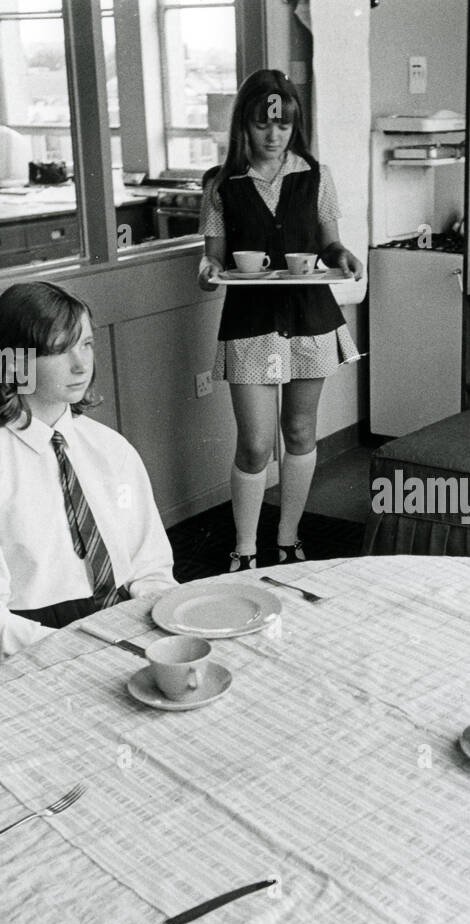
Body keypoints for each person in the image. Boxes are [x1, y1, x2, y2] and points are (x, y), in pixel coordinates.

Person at [0, 282, 177, 675]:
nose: (81, 365)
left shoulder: (112, 450)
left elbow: (149, 567)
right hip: (31, 646)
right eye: (61, 349)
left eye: (87, 344)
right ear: (12, 363)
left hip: (123, 625)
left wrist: (159, 625)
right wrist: (65, 651)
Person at [196, 69, 363, 572]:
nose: (273, 136)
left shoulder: (316, 175)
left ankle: (288, 536)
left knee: (299, 431)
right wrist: (207, 273)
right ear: (244, 125)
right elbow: (215, 260)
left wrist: (343, 255)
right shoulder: (220, 184)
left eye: (284, 126)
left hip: (310, 318)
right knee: (253, 443)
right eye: (263, 125)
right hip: (250, 323)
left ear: (295, 127)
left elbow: (329, 243)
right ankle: (245, 545)